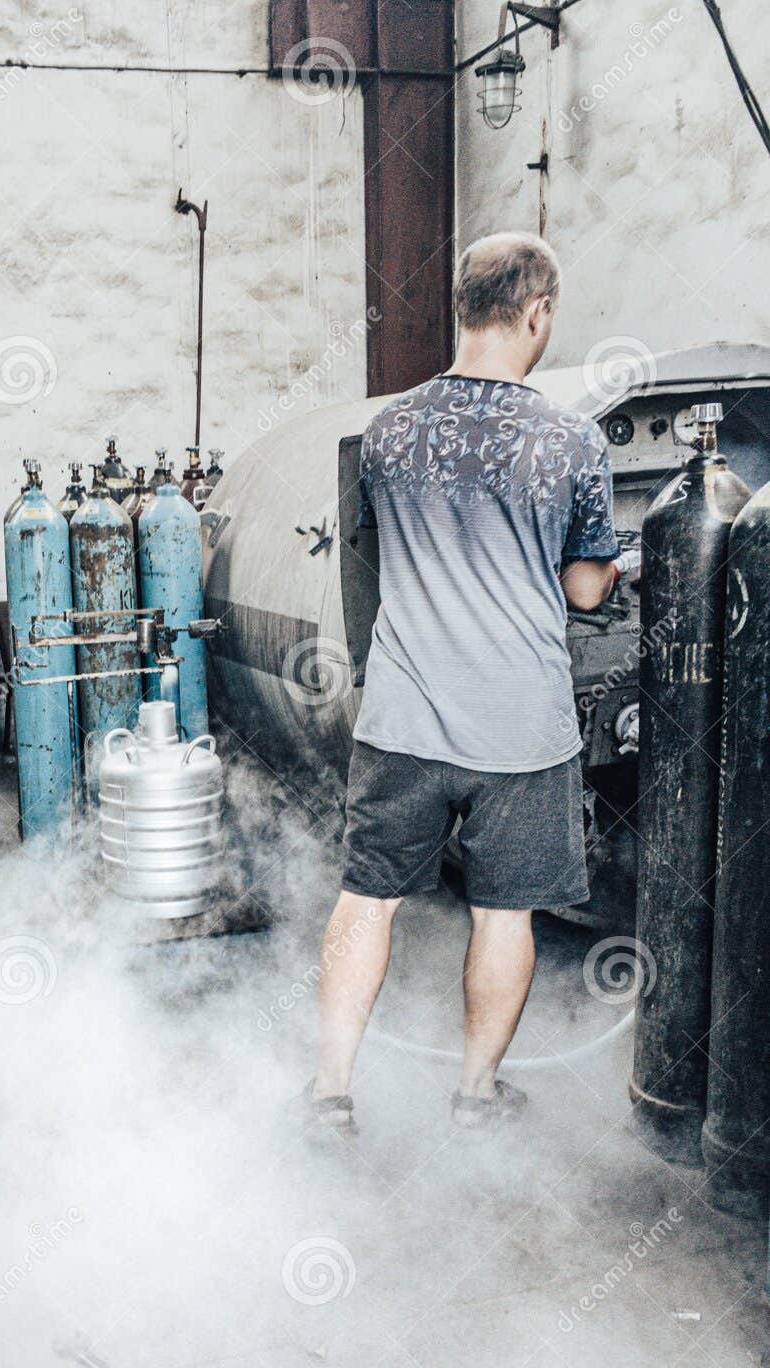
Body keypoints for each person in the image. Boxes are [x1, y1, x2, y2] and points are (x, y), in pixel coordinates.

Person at [306, 231, 620, 1139]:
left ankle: (330, 1094)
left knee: (368, 898)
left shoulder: (388, 430)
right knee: (505, 910)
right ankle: (476, 1096)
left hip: (402, 720)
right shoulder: (569, 439)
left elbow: (376, 553)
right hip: (519, 730)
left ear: (462, 309)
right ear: (537, 313)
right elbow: (585, 587)